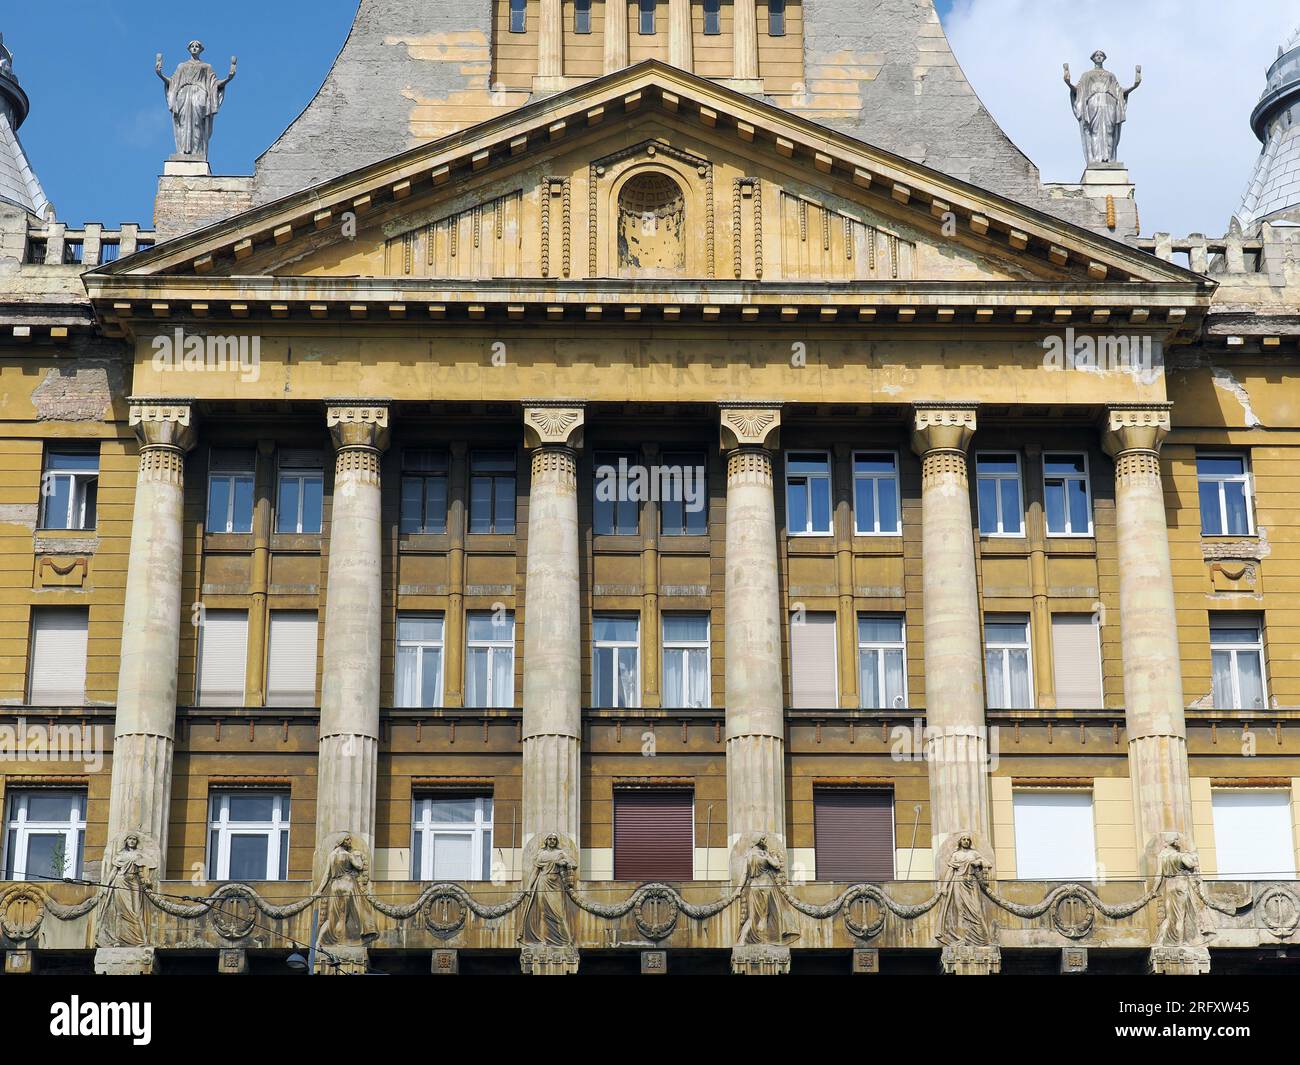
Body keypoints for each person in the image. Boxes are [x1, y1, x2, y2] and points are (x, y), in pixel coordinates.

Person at [155, 41, 236, 160]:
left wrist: (228, 78)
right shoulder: (181, 66)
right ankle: (182, 152)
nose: (194, 48)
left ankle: (197, 152)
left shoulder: (206, 67)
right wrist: (160, 74)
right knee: (183, 123)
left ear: (201, 49)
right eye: (192, 46)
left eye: (196, 46)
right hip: (183, 95)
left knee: (198, 124)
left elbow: (214, 84)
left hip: (200, 95)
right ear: (189, 49)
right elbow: (173, 82)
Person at [1064, 51, 1141, 165]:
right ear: (1093, 59)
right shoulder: (1087, 75)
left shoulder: (1111, 76)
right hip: (1094, 102)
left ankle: (1109, 159)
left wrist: (1134, 86)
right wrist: (1068, 82)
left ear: (1104, 58)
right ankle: (1096, 160)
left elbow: (1119, 91)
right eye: (1097, 55)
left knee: (1109, 131)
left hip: (1109, 102)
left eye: (1101, 55)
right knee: (1095, 130)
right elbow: (1078, 90)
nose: (1099, 57)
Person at [314, 835, 378, 947]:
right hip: (347, 885)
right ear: (342, 841)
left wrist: (319, 890)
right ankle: (342, 941)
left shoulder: (331, 855)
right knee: (345, 917)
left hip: (335, 887)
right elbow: (359, 866)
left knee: (332, 917)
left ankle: (319, 941)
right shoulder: (348, 855)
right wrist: (357, 856)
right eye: (347, 840)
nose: (350, 841)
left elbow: (327, 875)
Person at [737, 835, 800, 946]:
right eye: (762, 840)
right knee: (765, 916)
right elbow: (776, 865)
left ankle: (742, 940)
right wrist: (772, 856)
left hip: (754, 886)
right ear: (759, 842)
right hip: (766, 884)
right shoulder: (763, 854)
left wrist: (738, 889)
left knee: (752, 917)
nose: (764, 842)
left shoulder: (748, 856)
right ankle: (765, 941)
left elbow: (744, 875)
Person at [95, 833, 156, 947]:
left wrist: (147, 879)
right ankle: (118, 939)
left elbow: (146, 868)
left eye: (134, 839)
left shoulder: (139, 854)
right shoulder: (120, 855)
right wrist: (106, 886)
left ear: (136, 842)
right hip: (121, 881)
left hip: (134, 882)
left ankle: (140, 940)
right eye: (130, 839)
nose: (132, 841)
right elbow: (114, 871)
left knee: (136, 911)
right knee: (120, 912)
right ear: (126, 841)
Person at [935, 833, 992, 946]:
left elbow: (988, 863)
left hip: (972, 884)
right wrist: (944, 887)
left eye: (968, 839)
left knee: (976, 911)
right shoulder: (956, 855)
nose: (966, 841)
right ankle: (962, 938)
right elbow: (950, 871)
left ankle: (979, 939)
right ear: (960, 842)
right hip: (958, 883)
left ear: (970, 842)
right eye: (964, 839)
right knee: (961, 911)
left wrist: (978, 862)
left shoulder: (974, 853)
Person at [518, 833, 575, 946]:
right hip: (543, 883)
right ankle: (544, 939)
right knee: (543, 912)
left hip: (556, 884)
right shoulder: (541, 854)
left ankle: (565, 940)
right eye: (550, 839)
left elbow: (573, 863)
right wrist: (529, 887)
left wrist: (564, 862)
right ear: (546, 841)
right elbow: (535, 872)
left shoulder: (560, 853)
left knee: (558, 912)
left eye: (554, 839)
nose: (552, 841)